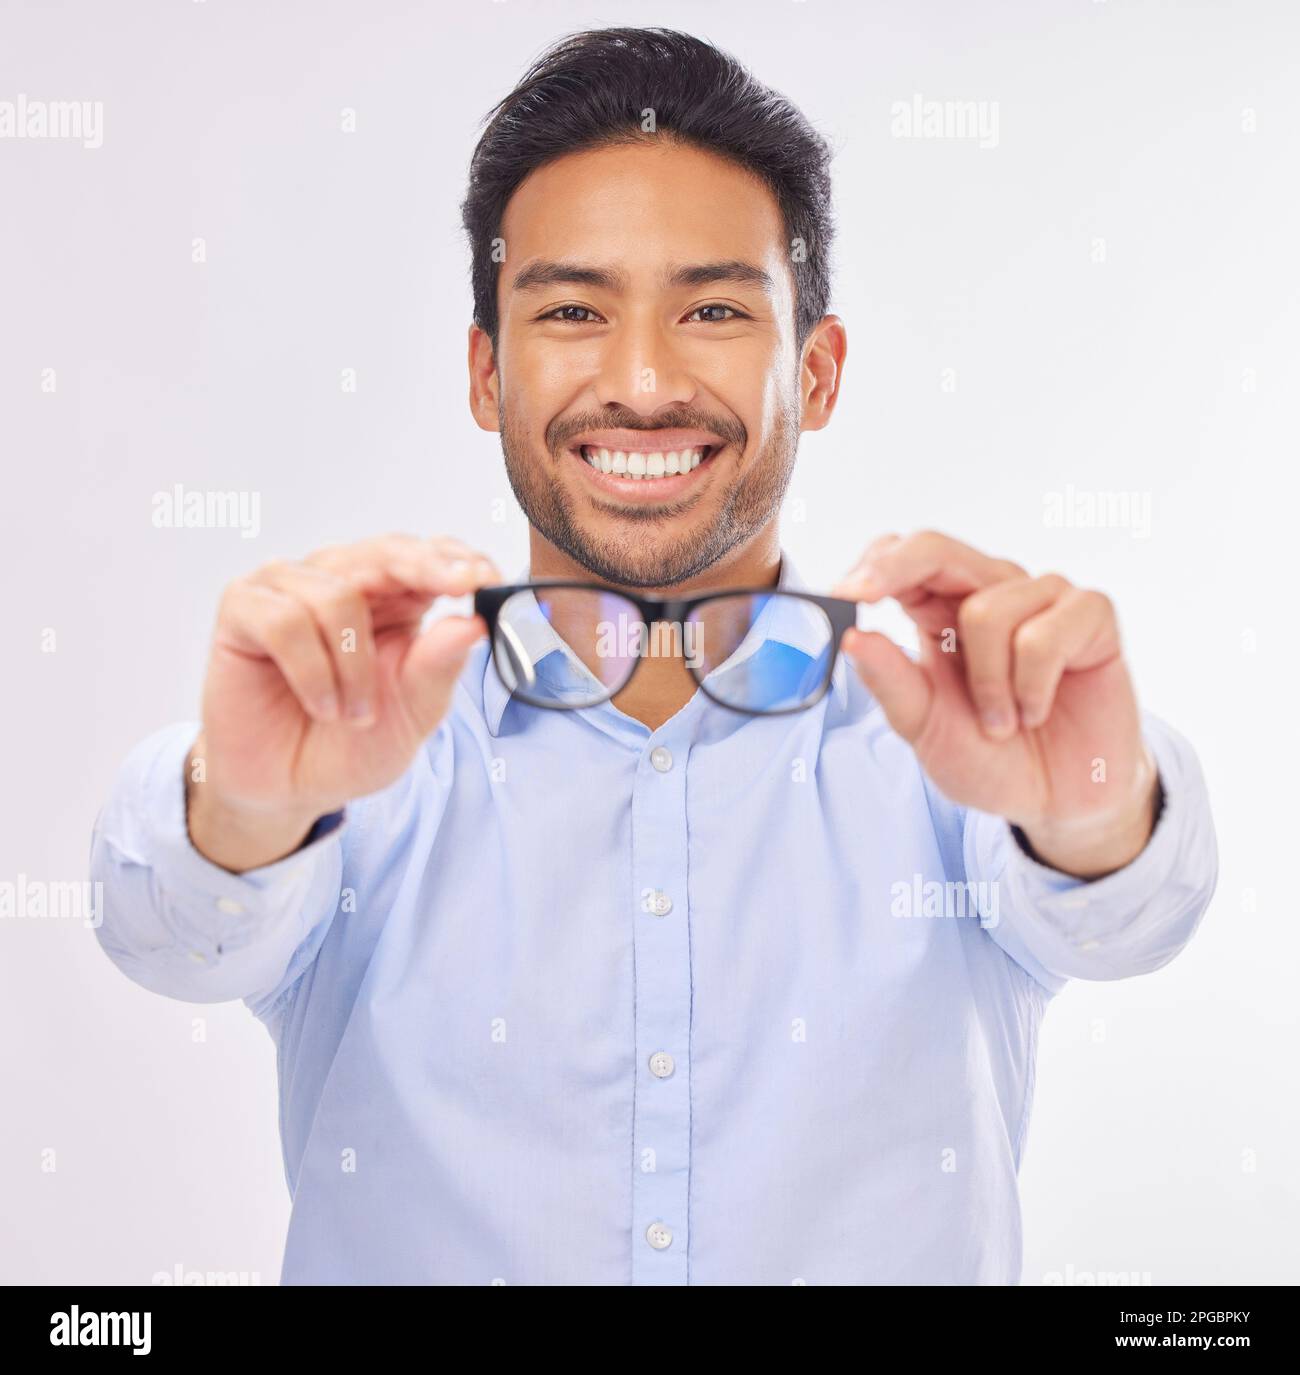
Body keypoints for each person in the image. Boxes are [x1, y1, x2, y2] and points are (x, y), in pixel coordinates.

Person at [90, 27, 1217, 1285]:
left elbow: (1132, 918)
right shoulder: (343, 750)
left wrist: (1099, 811)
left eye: (715, 309)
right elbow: (162, 930)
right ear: (484, 372)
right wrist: (240, 809)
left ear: (818, 369)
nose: (640, 381)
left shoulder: (960, 753)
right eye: (572, 309)